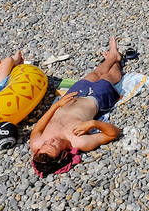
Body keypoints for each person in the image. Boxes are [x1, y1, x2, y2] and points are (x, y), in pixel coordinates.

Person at [30, 37, 126, 176]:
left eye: (46, 144)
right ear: (62, 154)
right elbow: (114, 133)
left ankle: (112, 58)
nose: (50, 141)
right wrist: (93, 124)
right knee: (110, 77)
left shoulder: (37, 143)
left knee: (95, 74)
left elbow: (38, 126)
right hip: (95, 99)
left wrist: (56, 106)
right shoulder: (79, 141)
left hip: (71, 96)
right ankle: (115, 60)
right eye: (53, 146)